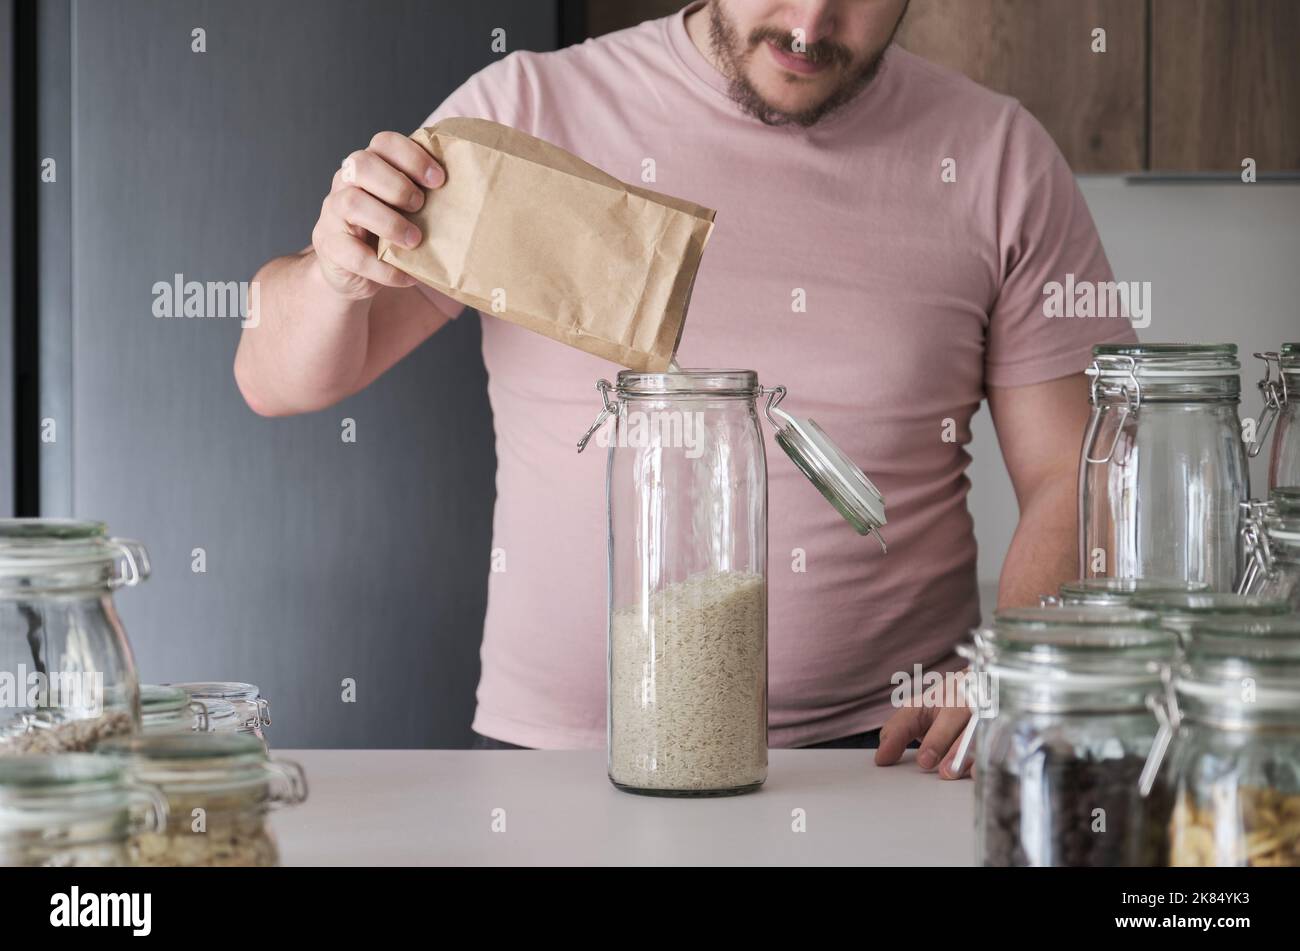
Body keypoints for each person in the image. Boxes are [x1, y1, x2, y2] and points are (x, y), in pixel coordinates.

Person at [235, 0, 1137, 774]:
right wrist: (332, 276)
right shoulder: (527, 112)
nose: (811, 21)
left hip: (889, 752)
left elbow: (1081, 466)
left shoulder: (995, 155)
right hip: (564, 761)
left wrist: (1021, 660)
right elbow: (273, 380)